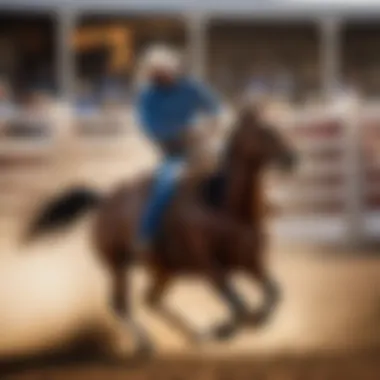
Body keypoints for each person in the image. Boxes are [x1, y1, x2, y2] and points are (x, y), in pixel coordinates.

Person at [136, 45, 221, 252]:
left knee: (234, 166)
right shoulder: (148, 97)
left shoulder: (190, 87)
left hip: (201, 145)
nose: (163, 74)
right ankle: (146, 235)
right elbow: (151, 128)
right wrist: (182, 131)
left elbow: (214, 107)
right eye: (157, 71)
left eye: (165, 69)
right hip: (173, 152)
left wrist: (209, 125)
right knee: (165, 185)